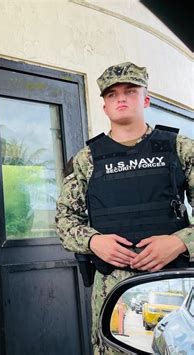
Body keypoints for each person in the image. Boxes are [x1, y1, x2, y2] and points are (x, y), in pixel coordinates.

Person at [56, 62, 193, 354]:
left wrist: (180, 242)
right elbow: (65, 221)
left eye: (130, 91)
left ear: (145, 99)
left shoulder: (180, 149)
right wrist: (94, 241)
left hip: (176, 285)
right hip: (113, 295)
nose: (121, 98)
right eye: (112, 94)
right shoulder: (86, 159)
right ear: (104, 106)